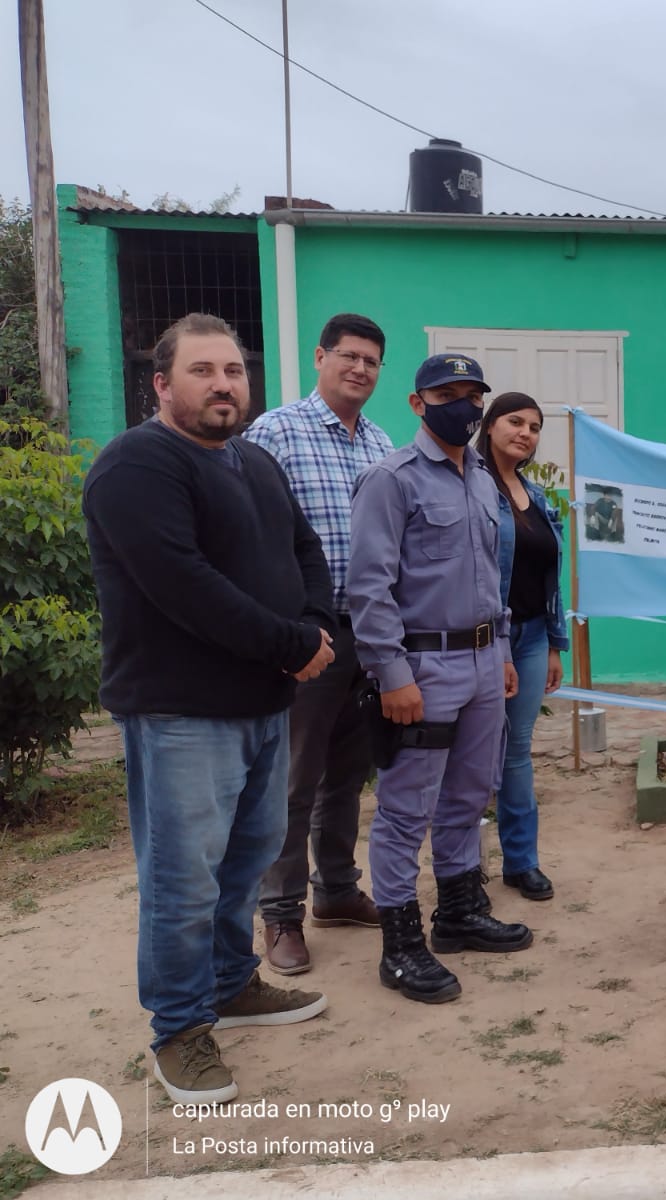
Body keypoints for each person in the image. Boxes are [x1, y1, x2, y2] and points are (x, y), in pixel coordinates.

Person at [82, 313, 337, 1104]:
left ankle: (232, 984)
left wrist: (319, 626)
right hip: (180, 712)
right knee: (182, 880)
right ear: (162, 384)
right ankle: (179, 1030)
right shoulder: (136, 467)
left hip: (262, 704)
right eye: (202, 371)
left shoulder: (254, 462)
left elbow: (305, 550)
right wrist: (290, 645)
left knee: (247, 858)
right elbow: (184, 586)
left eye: (232, 369)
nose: (223, 383)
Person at [348, 352, 533, 1006]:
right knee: (405, 809)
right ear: (417, 402)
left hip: (486, 661)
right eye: (447, 393)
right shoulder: (390, 480)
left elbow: (493, 575)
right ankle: (400, 946)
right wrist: (391, 672)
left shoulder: (482, 475)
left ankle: (458, 913)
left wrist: (503, 647)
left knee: (468, 794)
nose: (464, 404)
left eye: (472, 393)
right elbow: (368, 589)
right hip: (423, 669)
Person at [243, 313, 394, 975]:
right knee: (293, 780)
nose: (359, 369)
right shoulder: (276, 432)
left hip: (371, 632)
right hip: (309, 631)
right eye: (349, 356)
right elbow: (245, 531)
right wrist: (281, 628)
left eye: (371, 361)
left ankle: (336, 891)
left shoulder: (381, 444)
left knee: (346, 774)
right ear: (320, 357)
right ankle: (280, 917)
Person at [475, 392, 569, 902]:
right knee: (472, 753)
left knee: (517, 752)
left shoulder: (537, 498)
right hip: (488, 638)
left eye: (534, 427)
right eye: (515, 421)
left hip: (533, 636)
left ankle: (521, 861)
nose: (525, 433)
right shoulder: (471, 489)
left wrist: (554, 643)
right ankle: (464, 870)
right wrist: (501, 648)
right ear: (489, 426)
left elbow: (548, 577)